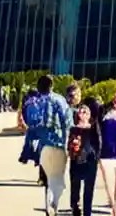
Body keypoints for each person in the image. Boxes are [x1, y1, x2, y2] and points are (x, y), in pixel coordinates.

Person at [27, 76, 72, 216]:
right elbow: (67, 121)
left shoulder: (34, 102)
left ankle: (48, 204)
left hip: (43, 145)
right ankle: (54, 204)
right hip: (58, 142)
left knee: (47, 177)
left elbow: (31, 123)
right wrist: (67, 140)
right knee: (57, 177)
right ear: (51, 86)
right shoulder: (59, 100)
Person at [67, 103, 101, 216]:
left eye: (85, 112)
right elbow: (69, 145)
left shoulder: (93, 127)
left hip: (90, 161)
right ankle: (75, 207)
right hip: (76, 161)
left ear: (89, 115)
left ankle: (87, 212)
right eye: (80, 111)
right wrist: (72, 147)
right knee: (75, 186)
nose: (82, 113)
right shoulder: (73, 128)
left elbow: (98, 142)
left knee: (88, 189)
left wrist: (96, 156)